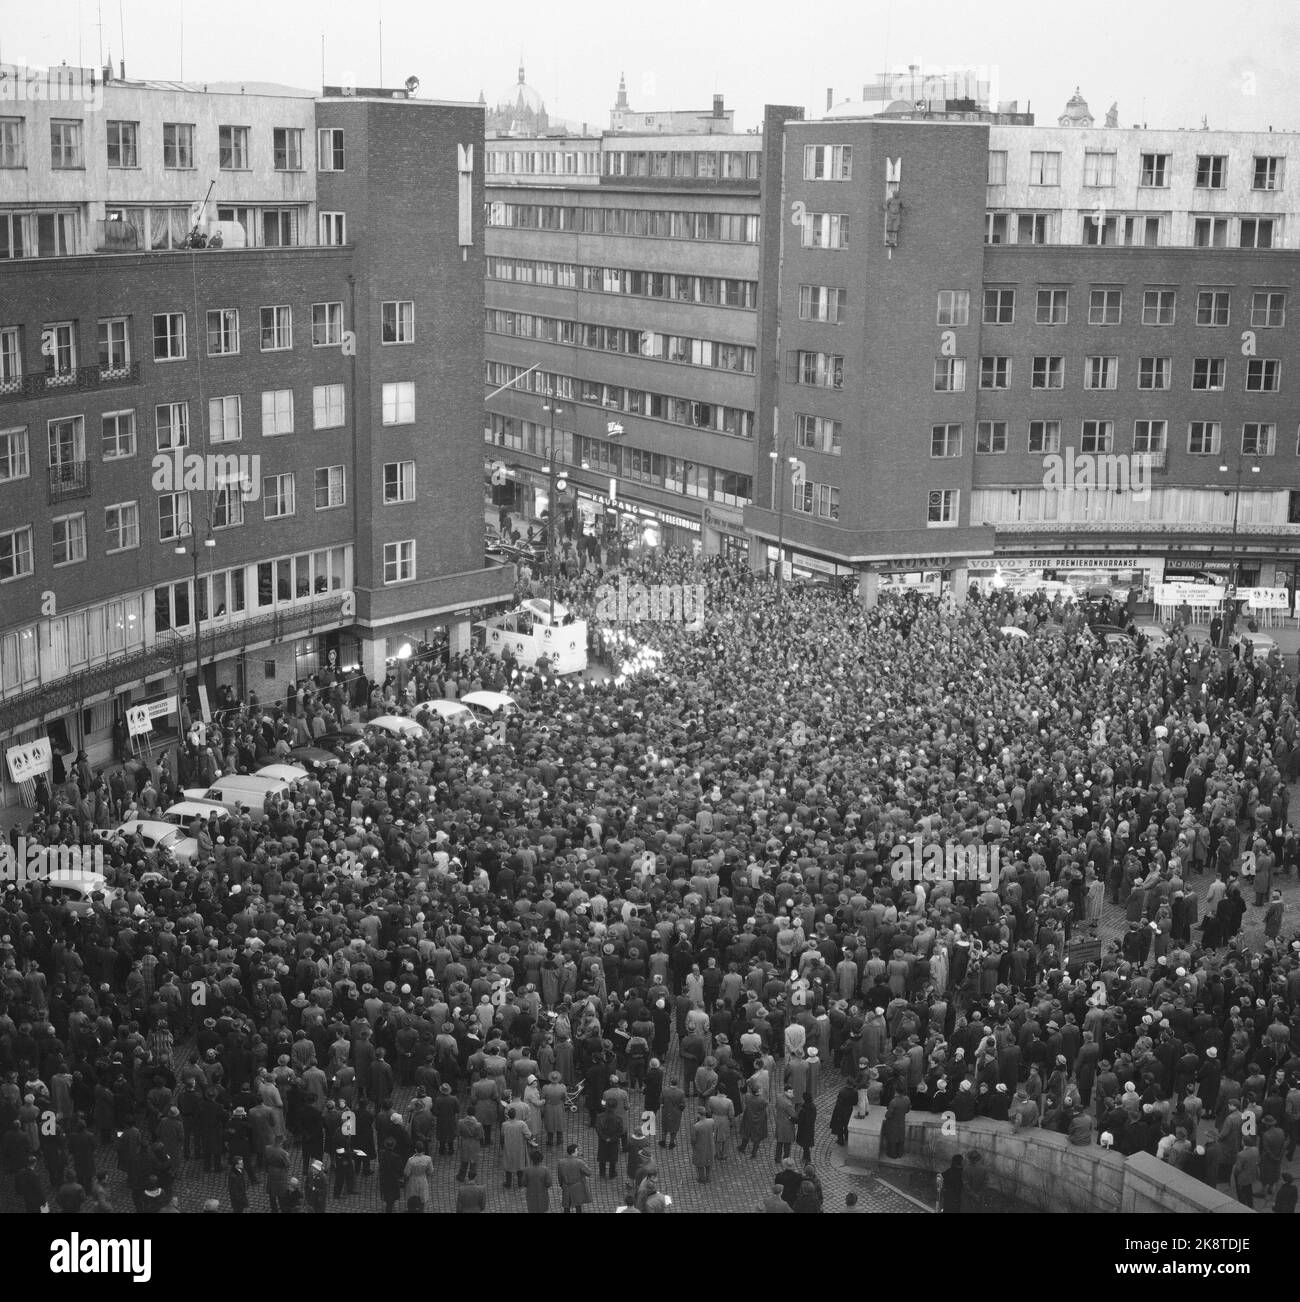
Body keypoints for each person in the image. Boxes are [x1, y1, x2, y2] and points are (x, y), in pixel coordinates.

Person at [557, 1143, 593, 1213]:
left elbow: (560, 1176)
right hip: (577, 1187)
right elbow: (589, 1173)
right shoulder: (579, 1162)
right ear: (573, 1152)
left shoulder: (561, 1162)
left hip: (566, 1187)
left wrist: (562, 1185)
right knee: (578, 1206)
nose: (578, 1152)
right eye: (576, 1151)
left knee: (566, 1206)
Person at [521, 1148, 552, 1214]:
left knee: (532, 1209)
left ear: (531, 1159)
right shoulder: (545, 1170)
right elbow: (549, 1183)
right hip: (542, 1194)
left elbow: (523, 1183)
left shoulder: (527, 1170)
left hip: (531, 1194)